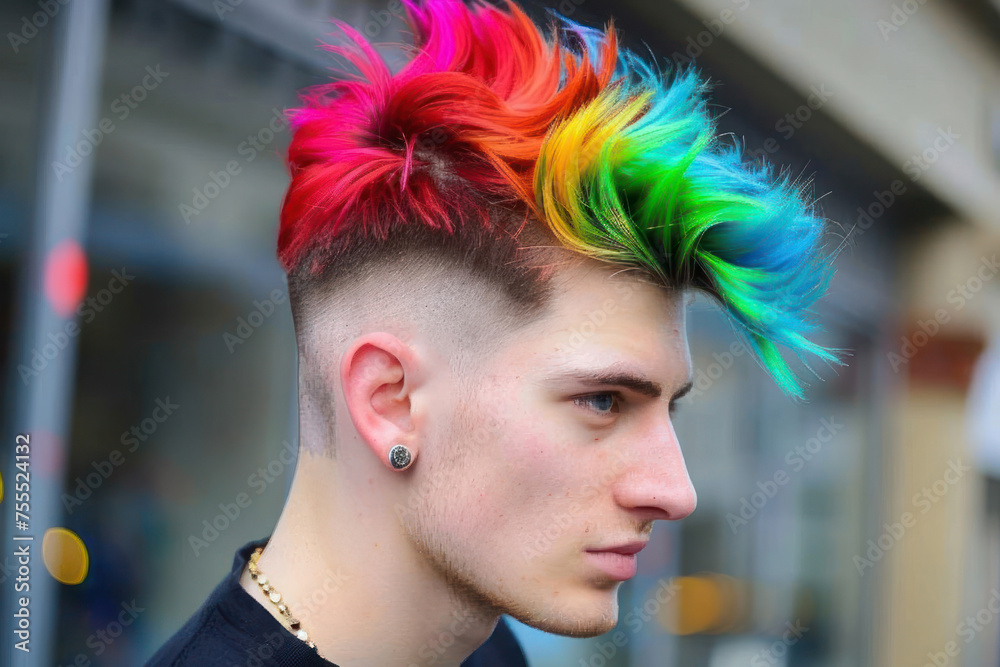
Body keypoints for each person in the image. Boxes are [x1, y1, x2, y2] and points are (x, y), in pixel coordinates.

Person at [146, 0, 842, 664]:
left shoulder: (491, 650)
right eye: (603, 400)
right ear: (391, 401)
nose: (675, 489)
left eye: (670, 404)